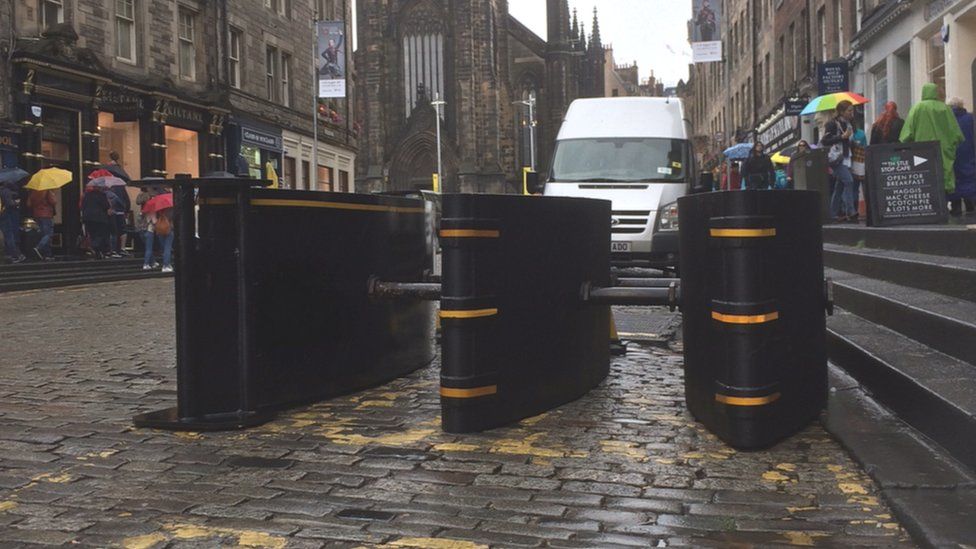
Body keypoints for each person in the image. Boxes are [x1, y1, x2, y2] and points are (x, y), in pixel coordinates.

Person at [900, 83, 965, 195]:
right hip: (943, 151)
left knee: (926, 180)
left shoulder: (917, 108)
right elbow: (956, 134)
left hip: (921, 152)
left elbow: (906, 135)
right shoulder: (945, 109)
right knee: (943, 179)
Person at [821, 100, 857, 222]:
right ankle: (851, 211)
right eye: (849, 110)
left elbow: (850, 139)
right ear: (842, 111)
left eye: (852, 110)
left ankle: (833, 213)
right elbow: (825, 141)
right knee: (849, 181)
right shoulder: (832, 124)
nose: (852, 113)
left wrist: (852, 142)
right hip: (836, 158)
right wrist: (842, 137)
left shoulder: (850, 123)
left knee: (840, 186)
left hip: (846, 157)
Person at [948, 97, 975, 215]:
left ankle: (956, 207)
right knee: (969, 177)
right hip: (968, 152)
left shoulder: (947, 119)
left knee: (954, 179)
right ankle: (970, 205)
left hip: (952, 153)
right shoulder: (970, 118)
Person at [81, 183, 111, 259]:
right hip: (99, 218)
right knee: (100, 234)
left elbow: (82, 205)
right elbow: (106, 206)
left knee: (92, 234)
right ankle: (94, 246)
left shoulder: (86, 195)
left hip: (88, 218)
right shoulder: (102, 195)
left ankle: (97, 252)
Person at [27, 189, 57, 260]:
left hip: (37, 215)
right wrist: (53, 194)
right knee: (48, 234)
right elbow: (54, 201)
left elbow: (28, 204)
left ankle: (47, 254)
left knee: (43, 235)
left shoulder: (33, 192)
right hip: (46, 214)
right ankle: (39, 248)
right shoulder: (47, 191)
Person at [0, 181, 25, 263]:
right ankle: (16, 255)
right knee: (9, 235)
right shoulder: (5, 191)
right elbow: (9, 203)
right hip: (3, 215)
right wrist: (16, 203)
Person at [146, 207, 174, 273]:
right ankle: (166, 265)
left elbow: (154, 221)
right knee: (168, 248)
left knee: (164, 248)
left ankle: (167, 264)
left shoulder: (157, 210)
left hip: (160, 230)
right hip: (168, 229)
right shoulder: (170, 210)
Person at [136, 187, 158, 270]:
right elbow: (154, 221)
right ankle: (146, 263)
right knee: (149, 247)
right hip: (149, 229)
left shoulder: (141, 212)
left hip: (141, 229)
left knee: (147, 246)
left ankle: (153, 262)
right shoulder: (151, 210)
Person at [850, 129, 868, 222]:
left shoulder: (853, 136)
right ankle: (869, 212)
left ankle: (854, 212)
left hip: (853, 166)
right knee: (865, 189)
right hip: (863, 165)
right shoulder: (861, 135)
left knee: (854, 190)